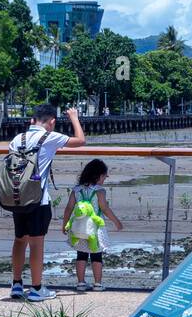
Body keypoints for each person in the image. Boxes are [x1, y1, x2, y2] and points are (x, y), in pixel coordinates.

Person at [9, 104, 87, 301]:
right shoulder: (50, 137)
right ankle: (36, 288)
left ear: (32, 120)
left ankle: (17, 285)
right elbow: (80, 140)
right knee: (36, 244)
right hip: (38, 200)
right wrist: (74, 118)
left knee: (20, 240)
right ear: (52, 121)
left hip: (17, 197)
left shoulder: (17, 139)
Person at [62, 159, 123, 292]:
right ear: (98, 176)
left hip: (78, 228)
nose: (104, 179)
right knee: (97, 255)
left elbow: (68, 208)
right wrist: (116, 222)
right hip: (95, 229)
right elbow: (105, 208)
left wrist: (65, 224)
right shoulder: (99, 191)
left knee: (81, 255)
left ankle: (81, 283)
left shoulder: (76, 190)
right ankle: (98, 284)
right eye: (104, 177)